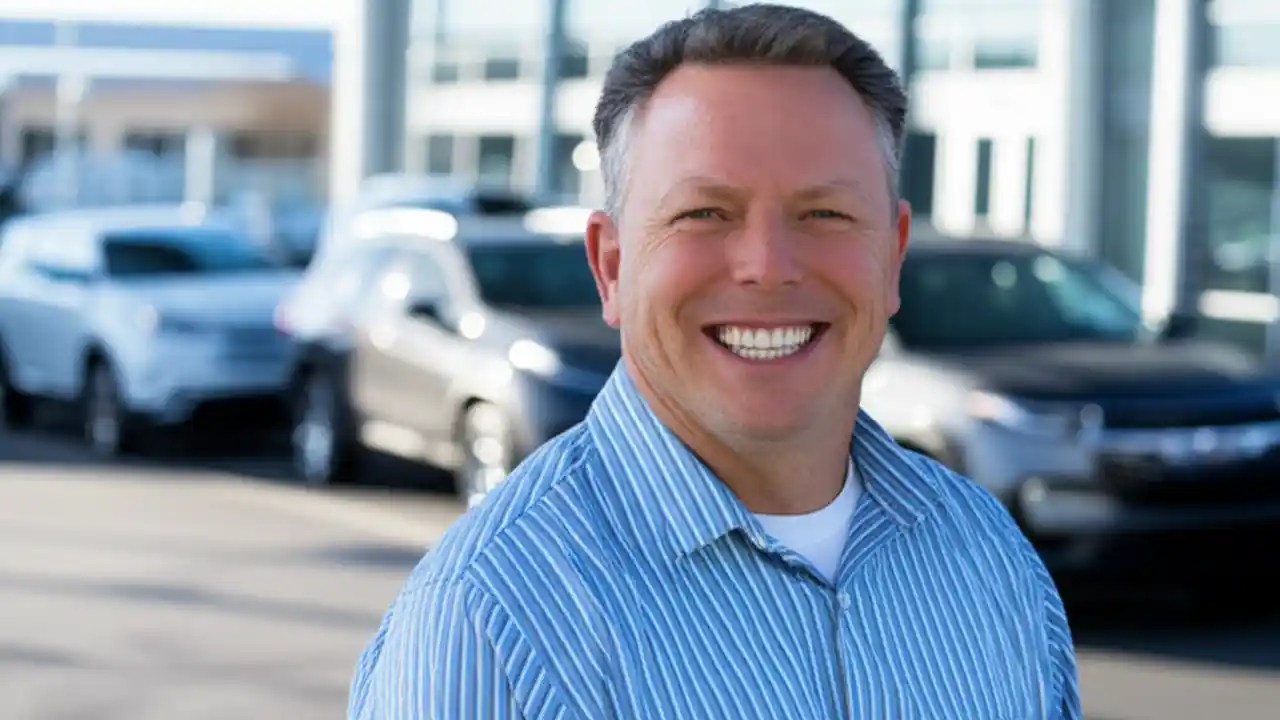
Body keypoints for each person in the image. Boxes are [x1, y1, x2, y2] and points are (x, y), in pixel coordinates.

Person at [348, 4, 1081, 719]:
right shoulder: (489, 620)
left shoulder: (990, 561)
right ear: (611, 266)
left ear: (892, 256)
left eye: (824, 213)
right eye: (705, 214)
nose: (768, 266)